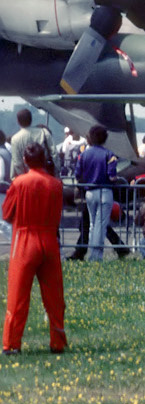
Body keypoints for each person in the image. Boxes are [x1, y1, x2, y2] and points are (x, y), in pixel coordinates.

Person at [3, 142, 67, 354]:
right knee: (54, 297)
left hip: (24, 240)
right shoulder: (56, 184)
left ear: (25, 160)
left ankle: (12, 344)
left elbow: (7, 214)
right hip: (49, 240)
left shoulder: (19, 183)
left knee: (18, 296)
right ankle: (57, 342)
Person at [75, 125, 120, 262]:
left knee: (93, 224)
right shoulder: (109, 155)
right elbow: (112, 176)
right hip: (105, 192)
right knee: (101, 224)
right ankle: (95, 255)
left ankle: (92, 253)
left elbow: (77, 175)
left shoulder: (83, 155)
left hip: (89, 192)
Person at [9, 108, 52, 180]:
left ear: (18, 121)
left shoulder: (15, 139)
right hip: (45, 177)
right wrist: (56, 175)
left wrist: (24, 178)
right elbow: (54, 154)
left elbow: (17, 163)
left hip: (25, 178)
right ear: (31, 119)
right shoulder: (44, 133)